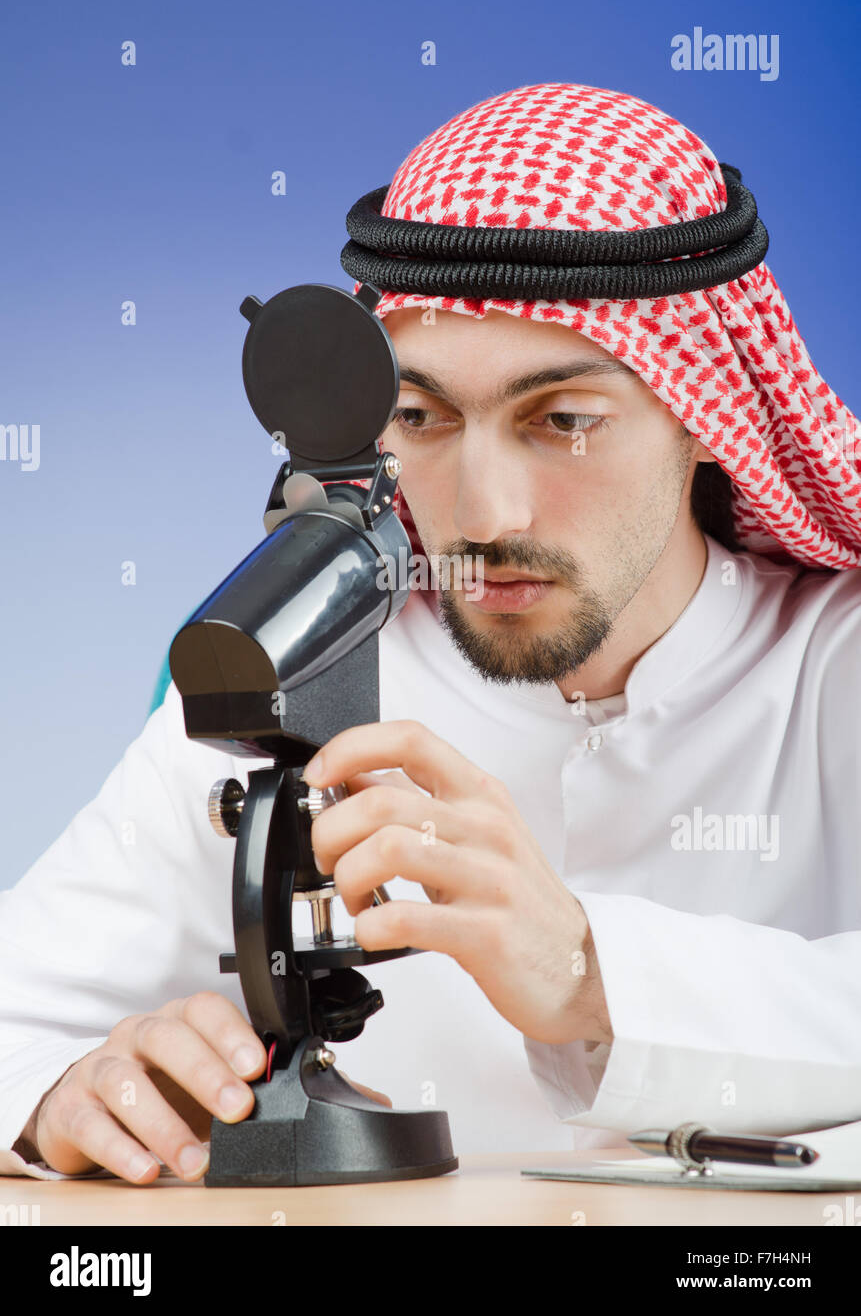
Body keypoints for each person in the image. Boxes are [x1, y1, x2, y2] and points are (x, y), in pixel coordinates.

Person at [2, 81, 860, 1186]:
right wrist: (61, 1098)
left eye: (564, 421)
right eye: (423, 417)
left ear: (708, 417)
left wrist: (590, 973)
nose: (484, 514)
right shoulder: (306, 667)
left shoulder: (834, 665)